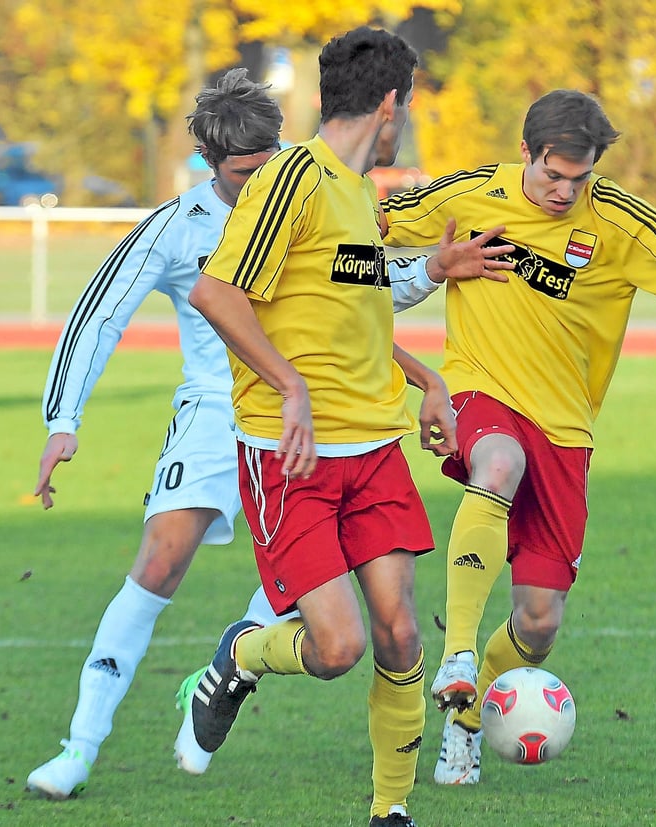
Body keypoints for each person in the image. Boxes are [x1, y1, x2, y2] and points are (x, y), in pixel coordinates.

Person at [25, 67, 511, 801]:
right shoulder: (176, 226)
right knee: (158, 565)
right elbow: (99, 314)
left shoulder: (310, 198)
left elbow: (367, 287)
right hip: (219, 420)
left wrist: (432, 276)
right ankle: (80, 745)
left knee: (308, 594)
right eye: (241, 173)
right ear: (211, 165)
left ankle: (227, 675)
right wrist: (64, 421)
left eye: (265, 166)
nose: (257, 182)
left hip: (310, 418)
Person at [378, 88, 656, 786]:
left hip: (567, 428)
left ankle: (463, 718)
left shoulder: (614, 217)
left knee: (540, 625)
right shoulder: (469, 194)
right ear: (526, 153)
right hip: (479, 390)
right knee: (496, 462)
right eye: (553, 175)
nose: (564, 191)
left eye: (578, 179)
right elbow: (369, 219)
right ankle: (458, 651)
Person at [176, 27, 446, 827]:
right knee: (338, 649)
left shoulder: (359, 192)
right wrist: (289, 386)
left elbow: (349, 322)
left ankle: (390, 810)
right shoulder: (290, 177)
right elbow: (218, 295)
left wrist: (428, 380)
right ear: (391, 103)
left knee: (400, 632)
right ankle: (239, 654)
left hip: (374, 448)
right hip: (289, 457)